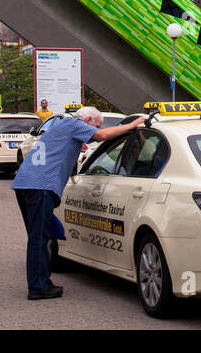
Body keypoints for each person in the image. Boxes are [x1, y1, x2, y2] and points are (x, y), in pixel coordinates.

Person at [11, 106, 143, 300]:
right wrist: (132, 125)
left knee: (41, 235)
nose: (94, 130)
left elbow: (63, 151)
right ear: (88, 119)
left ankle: (43, 282)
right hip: (40, 186)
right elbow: (103, 135)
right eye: (95, 125)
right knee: (39, 238)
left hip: (26, 183)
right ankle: (38, 288)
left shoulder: (62, 125)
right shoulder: (74, 124)